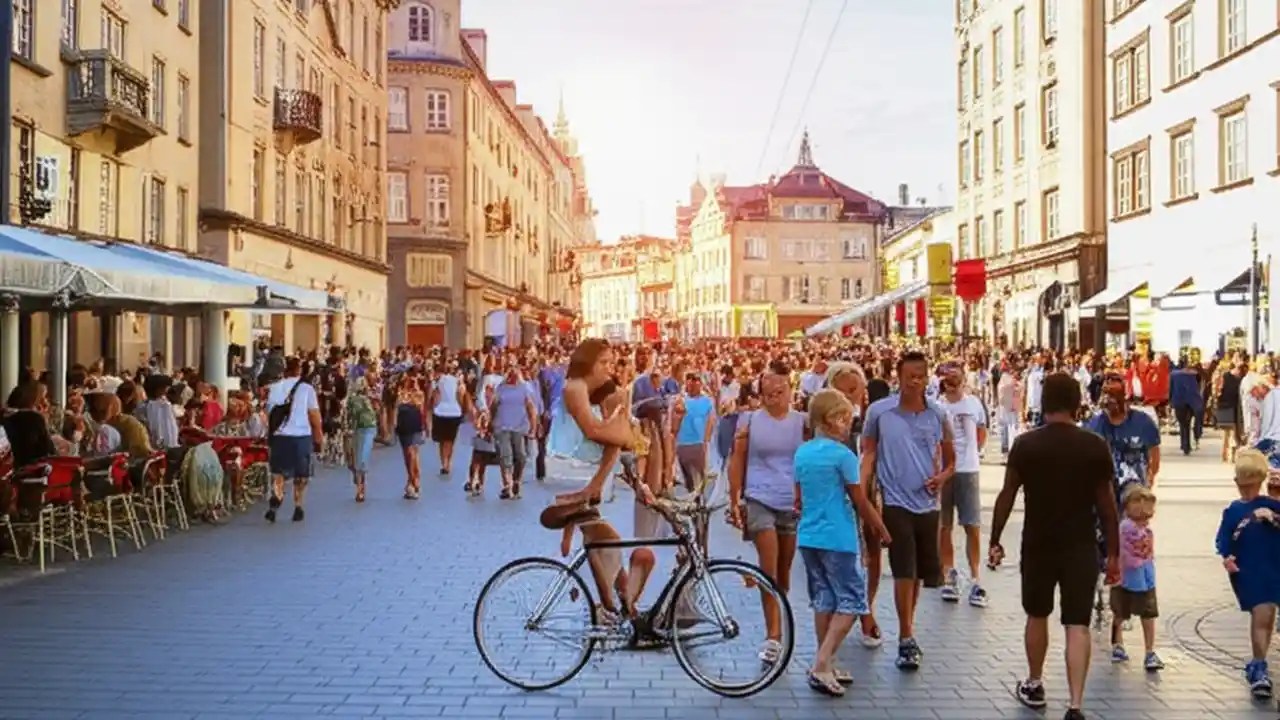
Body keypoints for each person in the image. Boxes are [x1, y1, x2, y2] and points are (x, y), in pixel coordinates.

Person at [990, 372, 1121, 720]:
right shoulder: (1094, 445)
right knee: (1077, 623)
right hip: (1080, 545)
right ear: (1077, 403)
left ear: (1044, 401)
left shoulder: (1026, 445)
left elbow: (1007, 495)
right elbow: (1107, 505)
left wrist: (995, 540)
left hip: (1038, 543)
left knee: (1037, 614)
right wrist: (1113, 554)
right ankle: (1076, 703)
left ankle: (1035, 682)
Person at [861, 351, 955, 671]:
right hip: (894, 500)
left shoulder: (937, 414)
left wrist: (941, 477)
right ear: (898, 377)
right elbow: (869, 453)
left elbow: (951, 458)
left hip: (927, 503)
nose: (916, 379)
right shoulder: (879, 411)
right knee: (903, 567)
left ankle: (908, 627)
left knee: (917, 574)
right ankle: (906, 636)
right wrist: (863, 492)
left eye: (922, 373)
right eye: (910, 373)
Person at [794, 389, 889, 696]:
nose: (849, 424)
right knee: (851, 600)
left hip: (809, 536)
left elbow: (798, 498)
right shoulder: (844, 456)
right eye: (845, 418)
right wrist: (882, 529)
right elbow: (860, 501)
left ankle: (829, 661)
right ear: (831, 420)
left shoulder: (802, 453)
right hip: (838, 537)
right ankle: (822, 662)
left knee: (823, 599)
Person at [727, 367, 807, 666]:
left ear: (790, 390)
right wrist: (735, 499)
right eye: (768, 393)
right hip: (759, 497)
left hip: (791, 500)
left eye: (780, 392)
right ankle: (772, 635)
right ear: (760, 395)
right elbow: (737, 460)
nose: (774, 398)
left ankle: (780, 617)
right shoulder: (749, 421)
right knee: (768, 567)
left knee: (784, 573)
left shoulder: (802, 422)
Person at [1215, 448, 1280, 699]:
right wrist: (1227, 556)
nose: (1247, 491)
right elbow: (1223, 539)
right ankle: (1259, 665)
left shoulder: (1270, 505)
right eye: (1243, 486)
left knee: (1269, 615)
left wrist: (1273, 516)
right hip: (1249, 570)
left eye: (1252, 485)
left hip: (1273, 565)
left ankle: (1258, 663)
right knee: (1261, 614)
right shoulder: (1233, 510)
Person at [937, 364, 989, 607]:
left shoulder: (974, 404)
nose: (953, 380)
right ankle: (948, 573)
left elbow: (981, 430)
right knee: (944, 525)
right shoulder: (937, 405)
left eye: (956, 376)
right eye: (948, 377)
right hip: (944, 472)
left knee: (972, 525)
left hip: (968, 469)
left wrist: (974, 452)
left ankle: (976, 577)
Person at [1109, 484, 1162, 670]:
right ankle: (1117, 644)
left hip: (1145, 579)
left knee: (1148, 614)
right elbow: (1128, 553)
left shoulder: (1146, 529)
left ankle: (1149, 651)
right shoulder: (1126, 528)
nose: (1142, 507)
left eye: (1145, 503)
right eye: (1137, 502)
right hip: (1126, 579)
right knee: (1120, 612)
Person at [264, 358, 323, 523]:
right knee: (301, 475)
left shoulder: (275, 388)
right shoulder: (306, 389)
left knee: (278, 473)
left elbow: (270, 414)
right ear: (299, 370)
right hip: (301, 436)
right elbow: (313, 414)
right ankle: (298, 505)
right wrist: (319, 435)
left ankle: (277, 496)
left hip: (280, 436)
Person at [1085, 373, 1162, 490]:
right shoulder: (1094, 425)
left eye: (1113, 395)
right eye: (1106, 394)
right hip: (1105, 492)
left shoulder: (1143, 422)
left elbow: (1154, 455)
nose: (1109, 400)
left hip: (1136, 492)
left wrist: (1149, 478)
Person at [491, 363, 539, 500]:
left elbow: (531, 409)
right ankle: (507, 485)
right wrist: (489, 423)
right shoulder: (501, 388)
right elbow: (494, 406)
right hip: (502, 426)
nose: (512, 375)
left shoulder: (525, 388)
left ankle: (516, 480)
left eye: (514, 371)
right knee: (505, 456)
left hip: (519, 427)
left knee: (521, 456)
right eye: (509, 372)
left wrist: (533, 427)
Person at [429, 362, 465, 477]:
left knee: (442, 440)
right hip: (454, 412)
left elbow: (435, 396)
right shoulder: (457, 381)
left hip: (441, 411)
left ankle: (444, 463)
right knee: (450, 440)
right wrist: (462, 409)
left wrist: (431, 408)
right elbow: (460, 396)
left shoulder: (438, 380)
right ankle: (448, 463)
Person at [346, 376, 378, 503]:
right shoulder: (354, 399)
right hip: (361, 429)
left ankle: (360, 489)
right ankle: (360, 484)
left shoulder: (368, 397)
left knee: (361, 459)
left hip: (366, 428)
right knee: (357, 459)